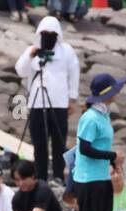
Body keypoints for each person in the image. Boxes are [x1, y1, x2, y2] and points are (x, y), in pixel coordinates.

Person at [14, 15, 79, 185]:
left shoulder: (66, 51)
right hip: (37, 103)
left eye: (52, 33)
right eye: (44, 33)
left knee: (59, 142)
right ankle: (41, 176)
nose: (48, 37)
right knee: (39, 143)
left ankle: (58, 175)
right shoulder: (33, 51)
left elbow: (74, 74)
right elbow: (21, 70)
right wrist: (31, 55)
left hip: (59, 104)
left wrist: (72, 98)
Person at [73, 74, 125, 211]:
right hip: (88, 179)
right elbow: (85, 148)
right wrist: (112, 155)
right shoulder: (90, 117)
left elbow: (100, 146)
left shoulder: (104, 115)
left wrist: (112, 162)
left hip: (102, 177)